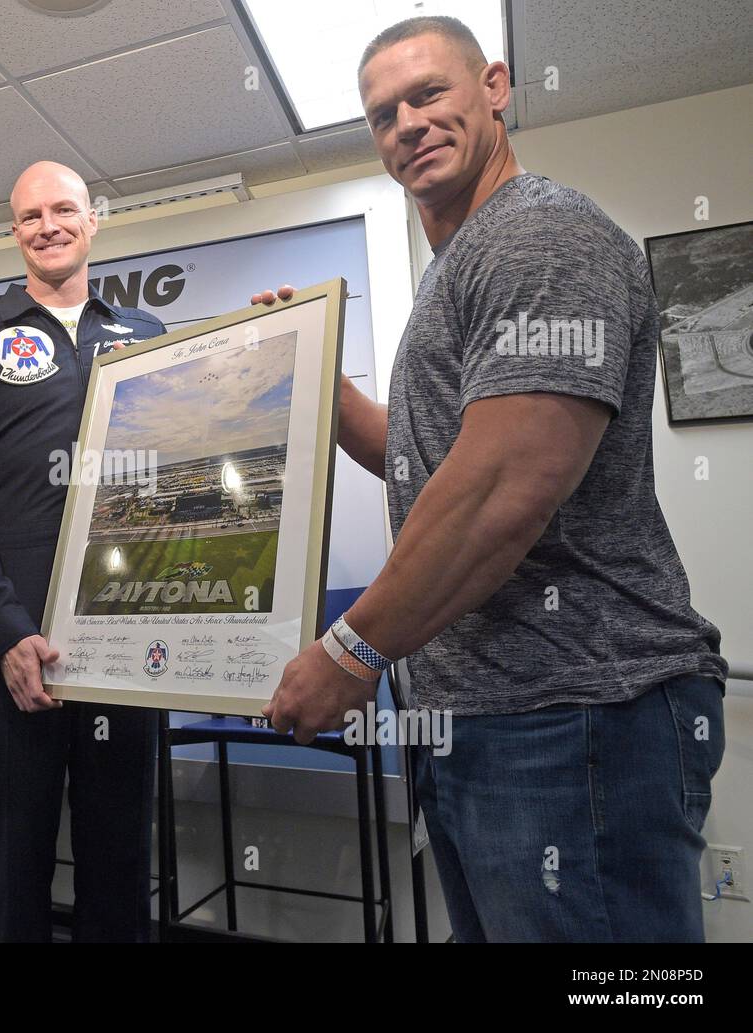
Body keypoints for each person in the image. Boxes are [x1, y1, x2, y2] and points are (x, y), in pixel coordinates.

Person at [261, 15, 726, 943]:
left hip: (573, 713)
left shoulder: (538, 234)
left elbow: (504, 485)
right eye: (384, 113)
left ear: (496, 88)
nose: (408, 124)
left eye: (429, 94)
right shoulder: (458, 269)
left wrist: (350, 653)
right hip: (485, 718)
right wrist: (321, 381)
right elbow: (431, 458)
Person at [0, 163, 166, 941]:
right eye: (30, 215)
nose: (48, 226)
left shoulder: (146, 336)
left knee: (119, 849)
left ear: (92, 220)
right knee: (12, 852)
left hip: (127, 626)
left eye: (63, 209)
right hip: (13, 635)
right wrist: (2, 628)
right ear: (14, 232)